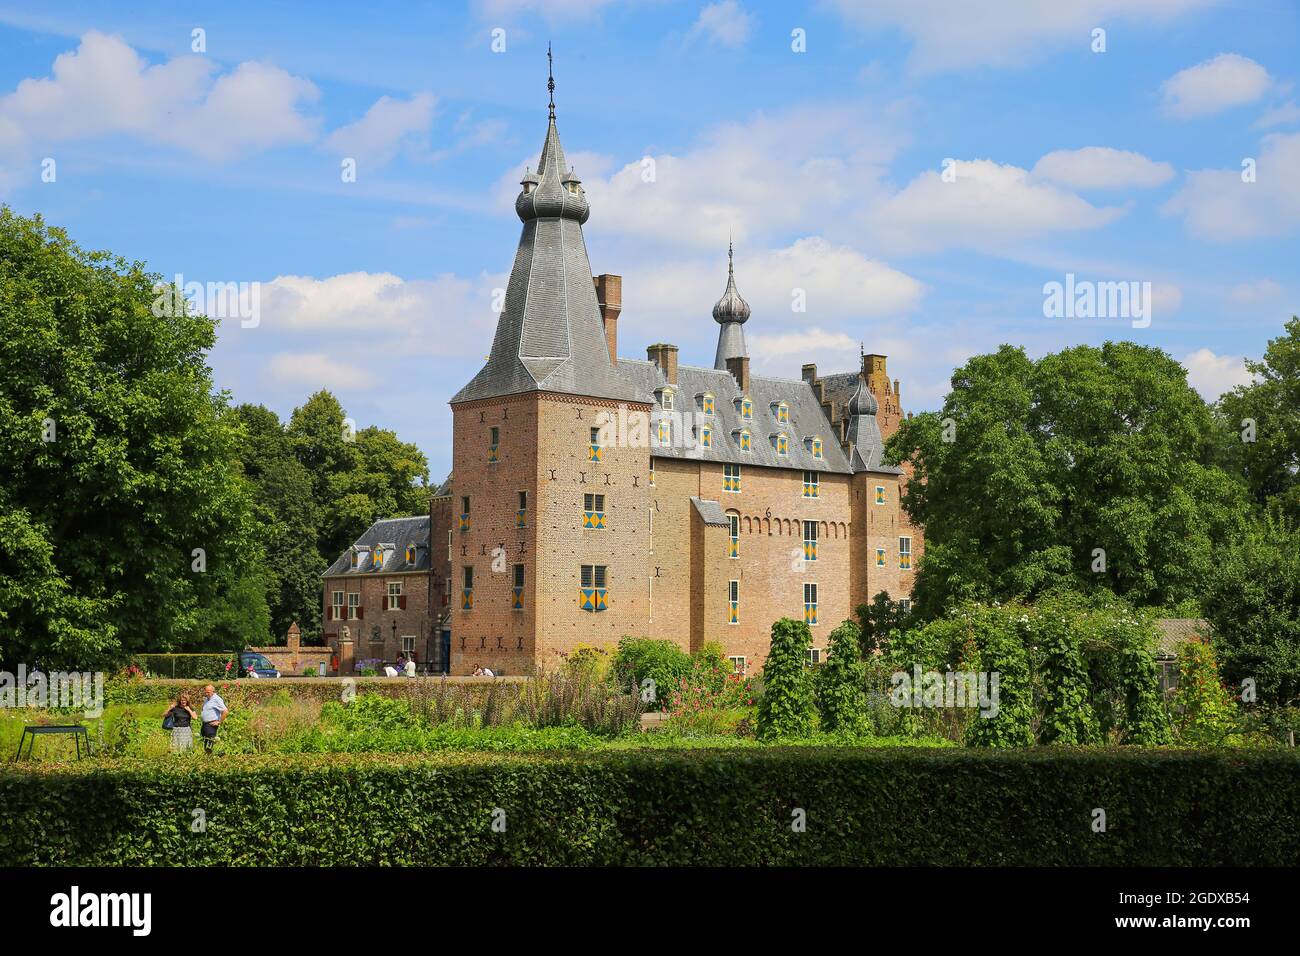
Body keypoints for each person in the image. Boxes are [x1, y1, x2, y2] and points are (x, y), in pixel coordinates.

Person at [200, 684, 228, 754]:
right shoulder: (207, 699)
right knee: (205, 744)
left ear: (213, 691)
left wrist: (219, 722)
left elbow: (225, 711)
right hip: (205, 725)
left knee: (210, 744)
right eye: (205, 692)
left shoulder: (216, 699)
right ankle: (206, 760)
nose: (206, 694)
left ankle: (211, 759)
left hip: (211, 725)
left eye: (208, 692)